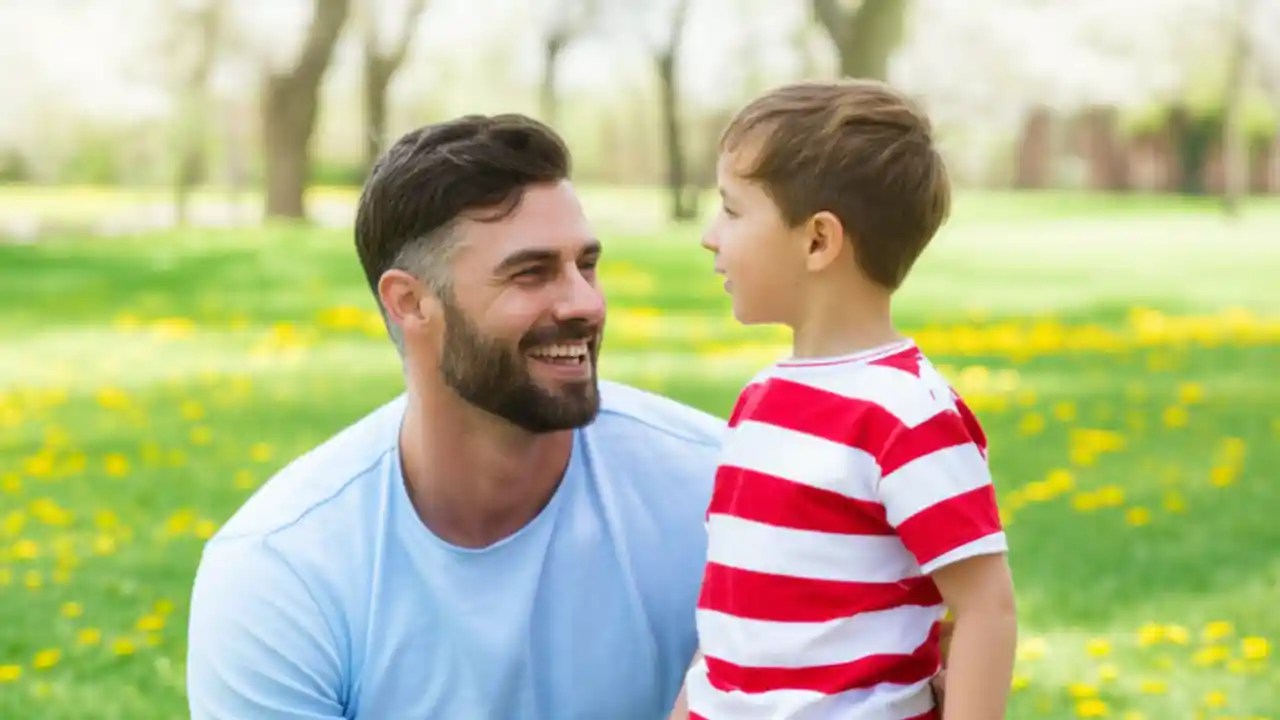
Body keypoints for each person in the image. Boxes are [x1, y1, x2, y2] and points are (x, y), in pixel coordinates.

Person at [185, 114, 724, 719]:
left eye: (586, 265)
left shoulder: (725, 493)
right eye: (531, 273)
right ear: (411, 302)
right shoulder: (283, 573)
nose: (584, 303)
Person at [678, 79, 1018, 720]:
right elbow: (732, 618)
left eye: (731, 209)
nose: (709, 235)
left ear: (818, 241)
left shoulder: (907, 416)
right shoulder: (760, 400)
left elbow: (984, 608)